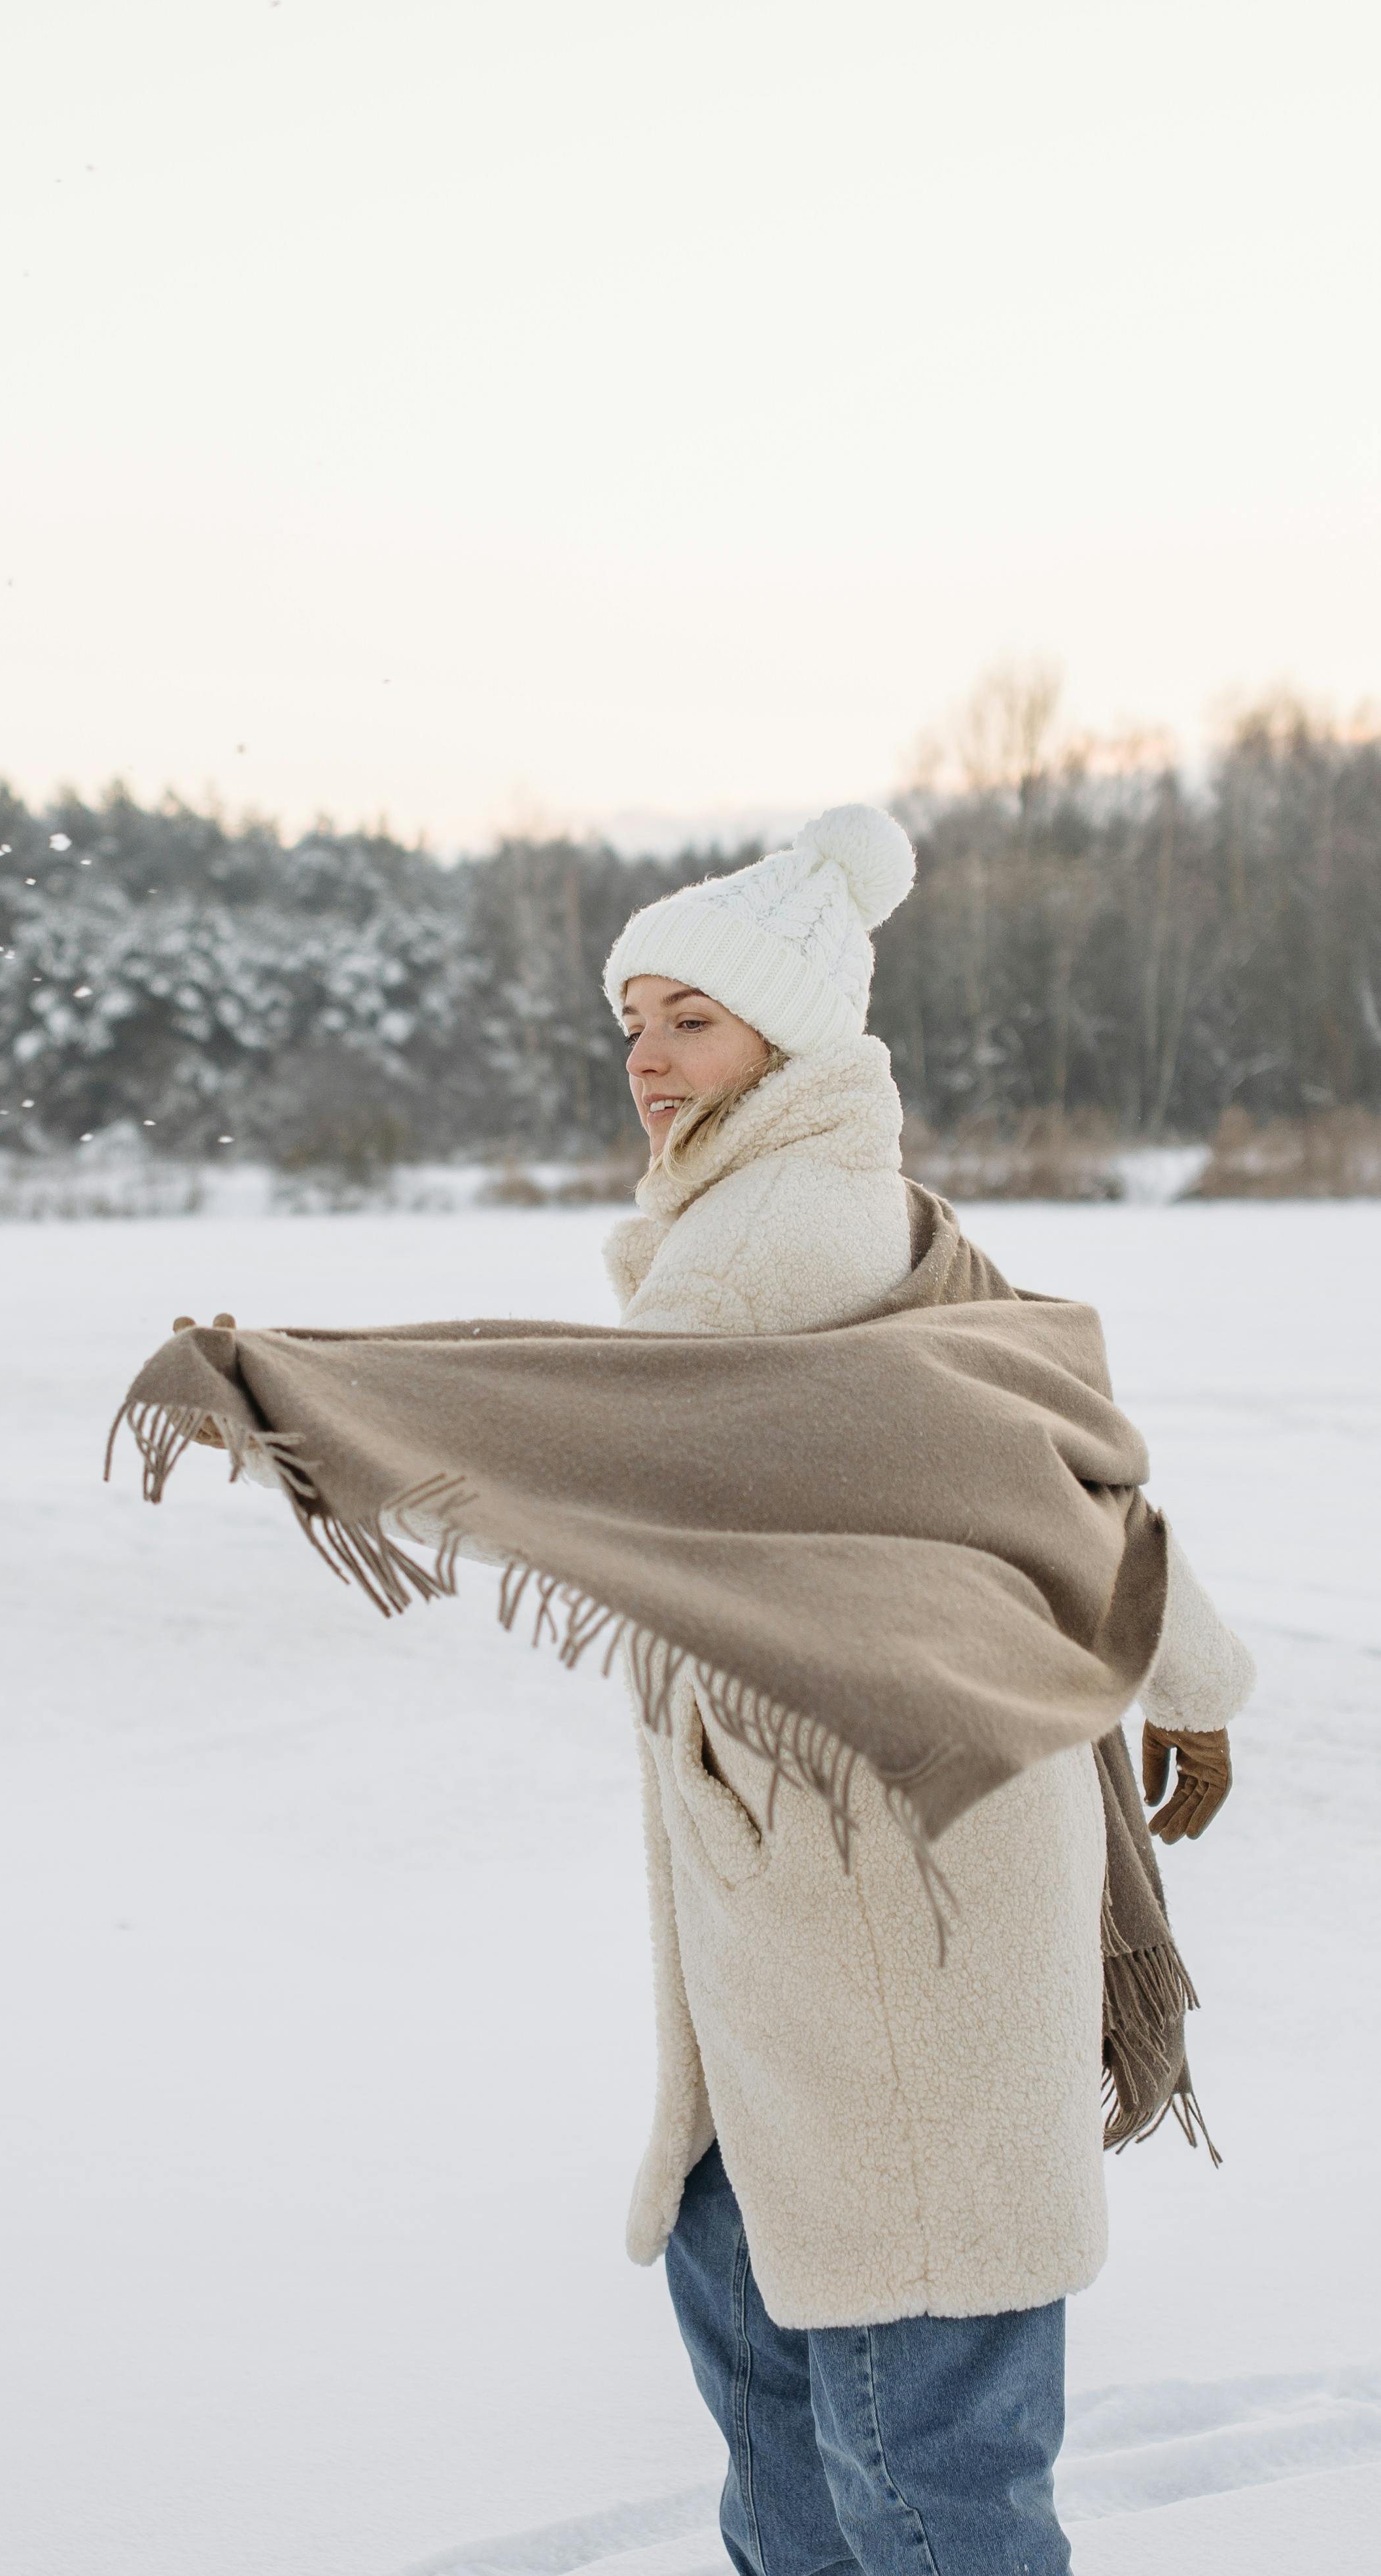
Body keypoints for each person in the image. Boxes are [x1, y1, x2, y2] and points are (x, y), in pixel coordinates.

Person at [597, 805, 1253, 2576]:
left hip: (873, 1903)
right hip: (858, 1896)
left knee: (906, 2452)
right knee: (838, 2424)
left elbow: (570, 1459)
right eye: (633, 1020)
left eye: (692, 1020)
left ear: (791, 1039)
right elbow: (1067, 1465)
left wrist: (324, 1413)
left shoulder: (752, 1257)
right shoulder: (885, 1218)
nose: (648, 1060)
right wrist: (1188, 1684)